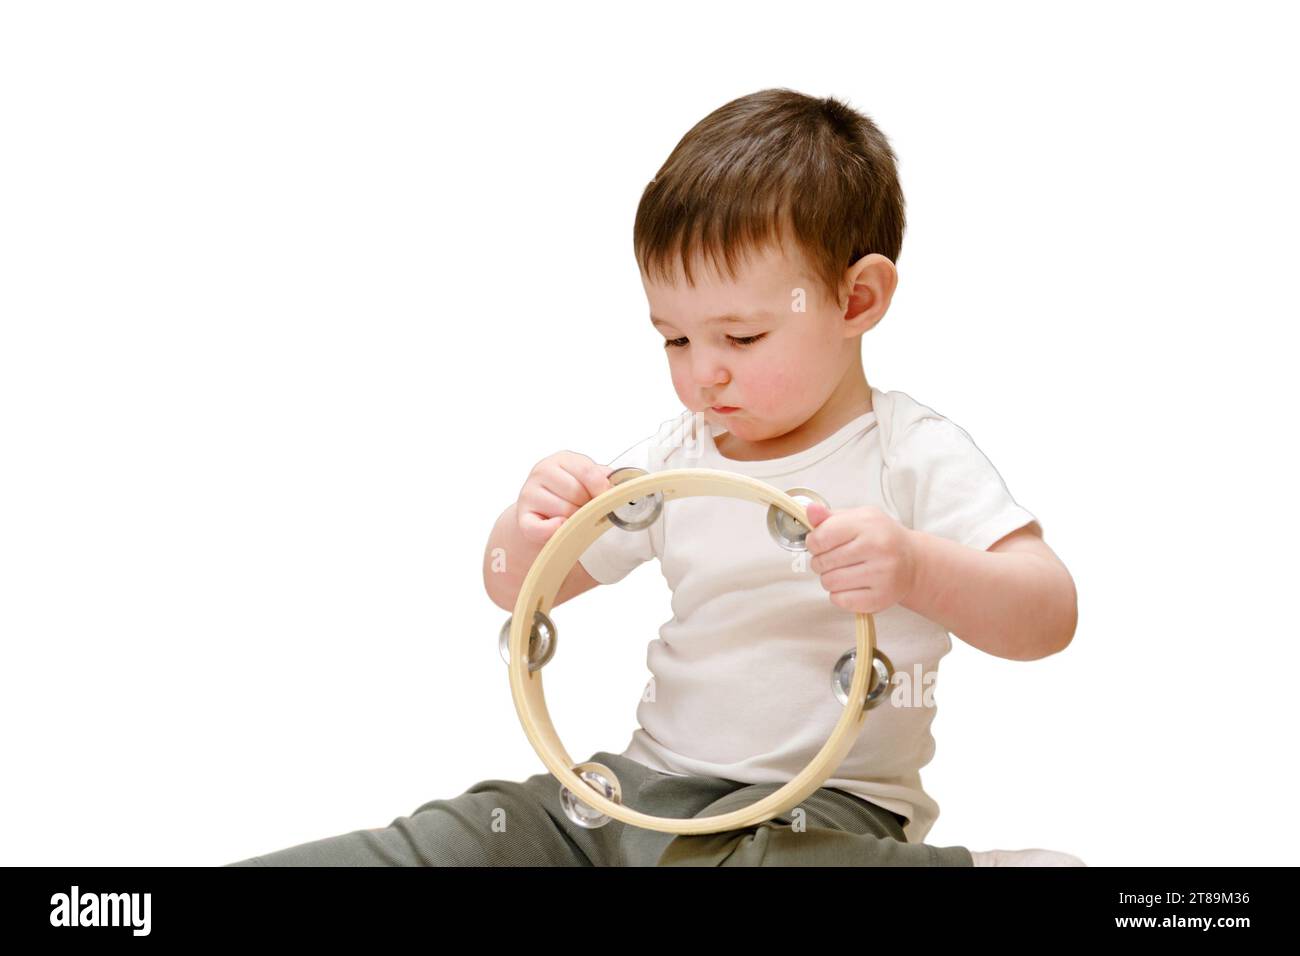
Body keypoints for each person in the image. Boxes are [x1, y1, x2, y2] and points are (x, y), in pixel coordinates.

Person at [225, 87, 1084, 867]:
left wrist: (918, 568)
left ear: (856, 301)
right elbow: (516, 590)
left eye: (740, 339)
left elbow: (1048, 613)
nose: (701, 373)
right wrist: (532, 529)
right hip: (640, 796)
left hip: (818, 820)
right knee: (480, 832)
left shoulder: (910, 453)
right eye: (674, 338)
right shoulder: (680, 455)